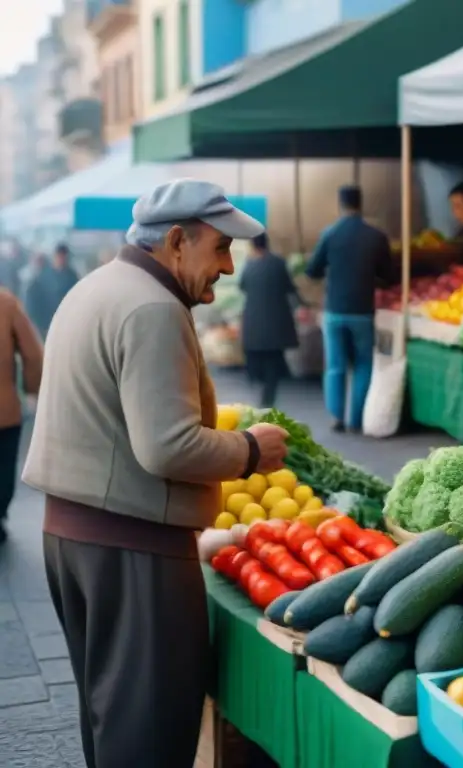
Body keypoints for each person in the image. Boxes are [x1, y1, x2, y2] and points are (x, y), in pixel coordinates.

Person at [21, 179, 290, 768]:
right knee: (148, 732)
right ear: (175, 240)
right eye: (220, 248)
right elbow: (167, 448)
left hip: (76, 537)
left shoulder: (99, 287)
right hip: (132, 546)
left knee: (113, 719)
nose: (225, 269)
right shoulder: (152, 308)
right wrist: (250, 449)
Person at [306, 185, 392, 433]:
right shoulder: (376, 236)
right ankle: (356, 419)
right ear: (360, 204)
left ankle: (336, 417)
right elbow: (388, 275)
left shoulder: (330, 234)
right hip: (363, 310)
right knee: (364, 363)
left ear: (341, 204)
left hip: (334, 310)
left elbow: (312, 270)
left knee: (335, 365)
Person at [0, 288, 43, 544]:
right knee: (4, 465)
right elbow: (33, 354)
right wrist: (32, 389)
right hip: (4, 411)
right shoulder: (6, 303)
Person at [240, 232, 300, 408]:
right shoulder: (279, 263)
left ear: (253, 245)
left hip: (254, 323)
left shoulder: (249, 265)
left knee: (257, 361)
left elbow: (242, 286)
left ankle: (258, 395)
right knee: (273, 362)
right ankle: (268, 397)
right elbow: (290, 288)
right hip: (276, 323)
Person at [22, 253, 54, 338]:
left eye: (41, 261)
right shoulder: (28, 277)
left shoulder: (47, 276)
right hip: (34, 317)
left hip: (45, 318)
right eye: (37, 261)